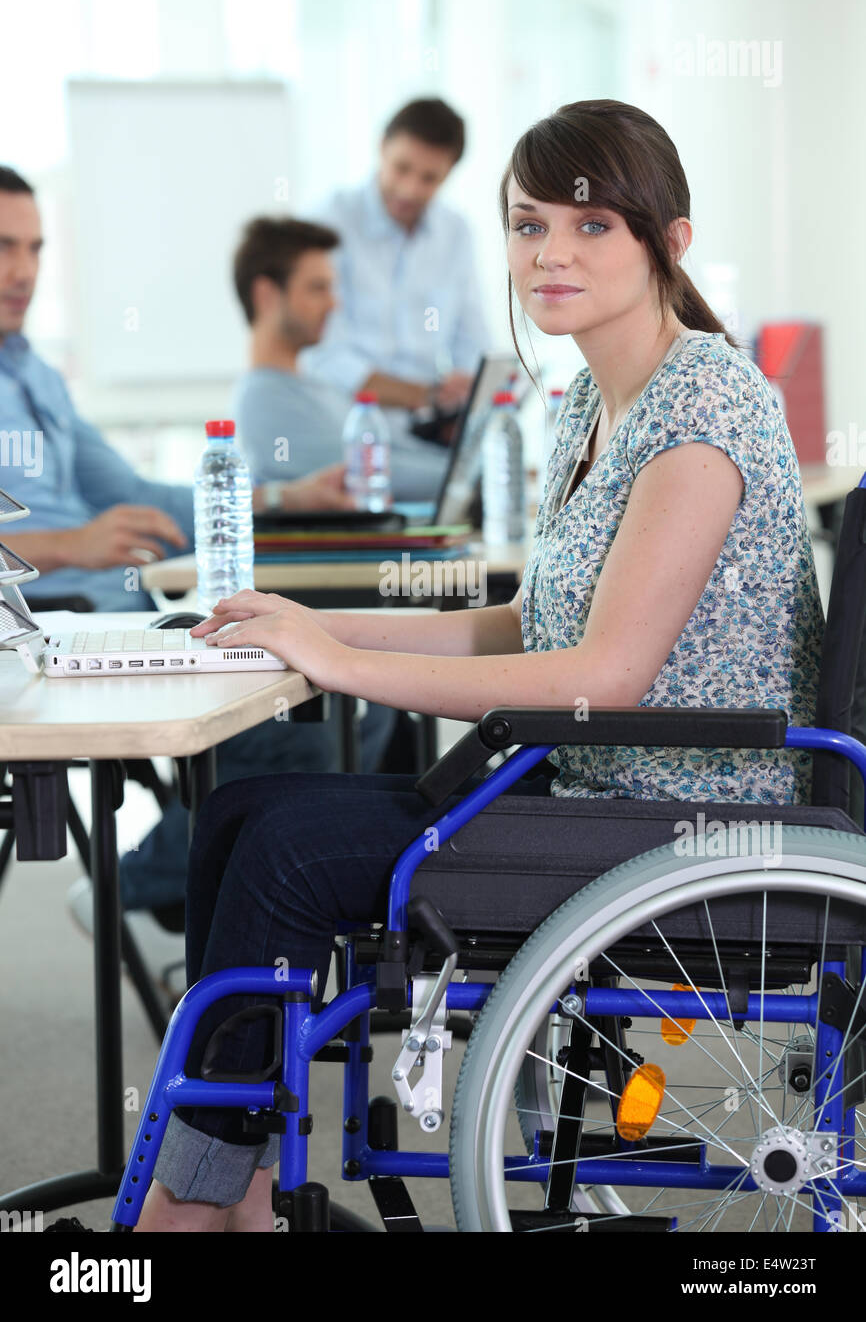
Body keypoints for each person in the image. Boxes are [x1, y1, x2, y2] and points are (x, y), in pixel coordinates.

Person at [135, 98, 824, 1230]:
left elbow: (598, 672)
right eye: (526, 224)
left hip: (682, 817)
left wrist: (341, 663)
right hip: (598, 784)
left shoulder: (700, 408)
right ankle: (241, 1181)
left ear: (670, 240)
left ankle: (193, 1202)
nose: (549, 253)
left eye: (591, 226)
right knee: (240, 812)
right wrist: (318, 628)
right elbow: (526, 623)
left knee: (293, 858)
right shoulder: (590, 403)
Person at [0, 165, 395, 971]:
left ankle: (215, 931)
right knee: (297, 743)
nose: (25, 271)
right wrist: (68, 546)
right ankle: (152, 895)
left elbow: (138, 495)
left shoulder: (35, 376)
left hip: (123, 609)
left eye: (36, 247)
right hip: (49, 624)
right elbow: (89, 532)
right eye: (5, 247)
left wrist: (279, 492)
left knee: (339, 697)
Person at [299, 97, 491, 458]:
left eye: (429, 178)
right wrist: (426, 394)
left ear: (449, 174)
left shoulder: (456, 232)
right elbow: (323, 358)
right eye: (401, 168)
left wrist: (468, 388)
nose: (410, 189)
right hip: (344, 432)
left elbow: (474, 338)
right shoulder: (328, 222)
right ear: (381, 147)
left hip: (429, 435)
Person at [231, 216, 452, 503]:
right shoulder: (263, 399)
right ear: (267, 295)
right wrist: (473, 479)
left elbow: (401, 452)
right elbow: (377, 472)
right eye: (317, 288)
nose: (333, 303)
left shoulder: (319, 386)